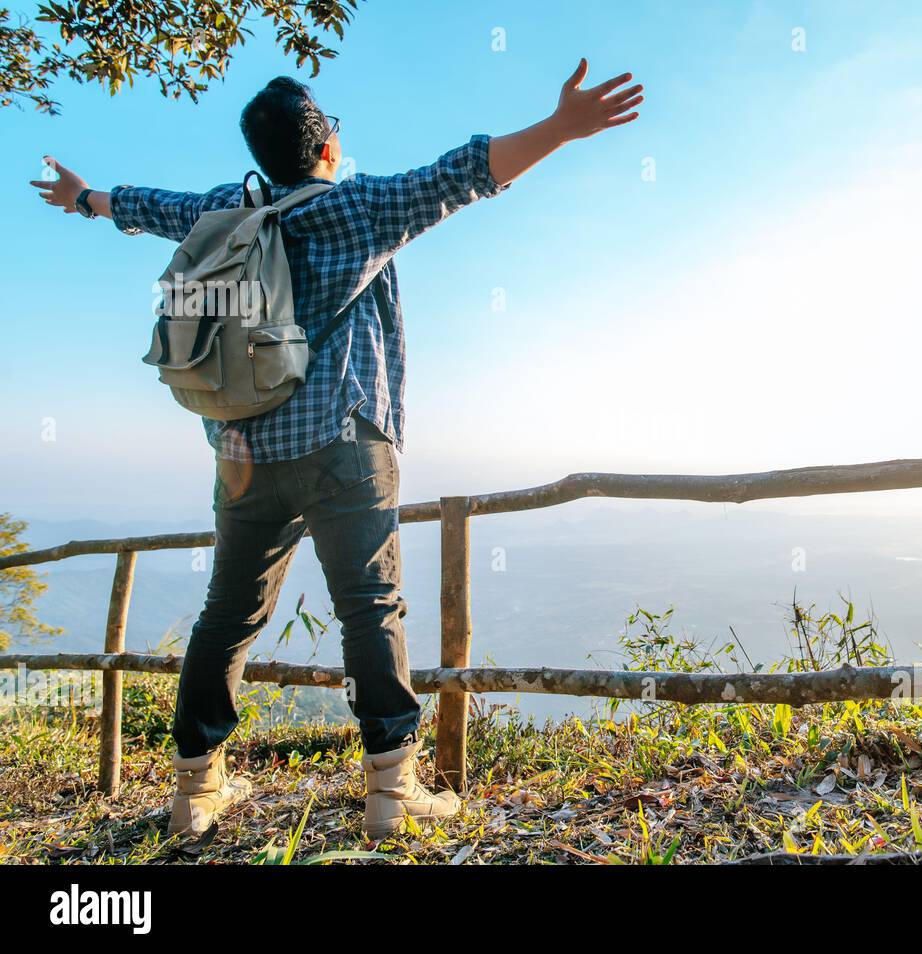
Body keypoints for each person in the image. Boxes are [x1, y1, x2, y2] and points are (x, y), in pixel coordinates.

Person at [30, 60, 642, 839]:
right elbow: (464, 173)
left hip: (243, 453)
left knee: (226, 616)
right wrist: (562, 127)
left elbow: (151, 205)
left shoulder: (226, 210)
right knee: (370, 608)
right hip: (344, 442)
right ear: (325, 148)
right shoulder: (359, 207)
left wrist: (83, 198)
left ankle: (195, 791)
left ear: (262, 157)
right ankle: (392, 792)